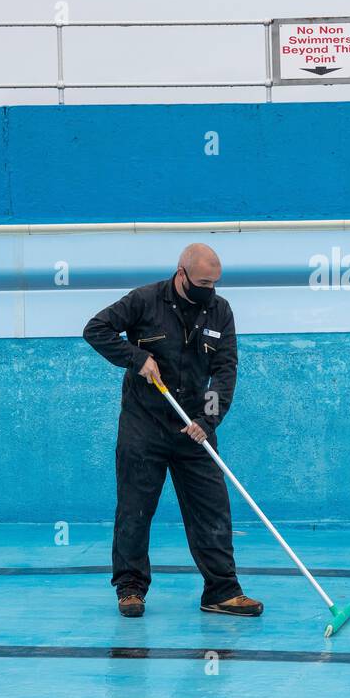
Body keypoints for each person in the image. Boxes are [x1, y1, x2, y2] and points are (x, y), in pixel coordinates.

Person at [82, 242, 262, 619]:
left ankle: (221, 591)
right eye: (201, 281)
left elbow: (225, 370)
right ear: (180, 273)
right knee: (135, 509)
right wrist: (137, 358)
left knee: (212, 509)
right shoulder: (144, 301)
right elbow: (95, 329)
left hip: (194, 427)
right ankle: (130, 589)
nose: (208, 289)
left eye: (213, 283)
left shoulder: (220, 311)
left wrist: (207, 420)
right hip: (143, 427)